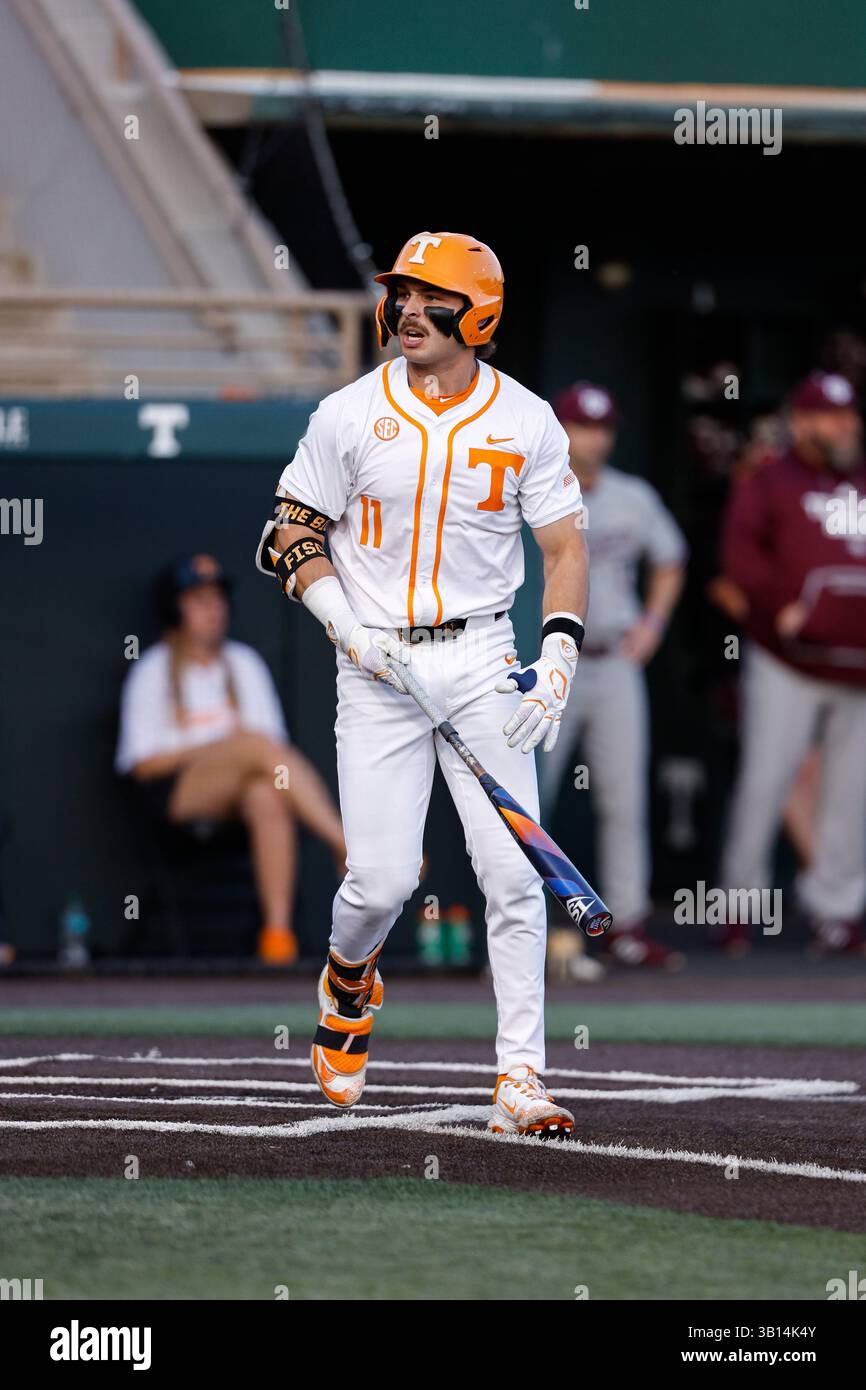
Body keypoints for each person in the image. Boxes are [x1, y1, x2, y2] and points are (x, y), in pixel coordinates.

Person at [257, 231, 589, 1137]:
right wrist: (351, 631)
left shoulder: (526, 419)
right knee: (379, 881)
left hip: (483, 657)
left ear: (475, 313)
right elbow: (289, 535)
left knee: (516, 873)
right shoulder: (348, 413)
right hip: (375, 665)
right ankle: (348, 977)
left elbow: (563, 548)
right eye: (400, 292)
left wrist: (557, 655)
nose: (408, 308)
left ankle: (520, 1076)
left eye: (429, 295)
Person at [116, 553, 347, 964]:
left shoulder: (243, 663)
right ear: (175, 609)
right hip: (174, 796)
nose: (214, 609)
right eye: (199, 600)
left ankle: (277, 936)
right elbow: (141, 763)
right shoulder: (152, 668)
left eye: (217, 599)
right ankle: (344, 844)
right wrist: (218, 747)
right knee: (254, 749)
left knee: (266, 793)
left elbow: (273, 758)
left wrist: (237, 750)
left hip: (241, 795)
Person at [540, 382, 687, 969]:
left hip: (611, 658)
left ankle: (625, 924)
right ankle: (521, 928)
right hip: (550, 661)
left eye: (602, 427)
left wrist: (651, 624)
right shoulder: (534, 488)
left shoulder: (633, 496)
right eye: (582, 426)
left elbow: (672, 560)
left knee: (624, 799)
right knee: (531, 799)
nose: (593, 438)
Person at [719, 371, 866, 954]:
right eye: (828, 416)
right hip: (787, 659)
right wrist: (780, 606)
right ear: (801, 423)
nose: (843, 425)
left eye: (848, 414)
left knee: (851, 791)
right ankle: (739, 906)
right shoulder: (771, 479)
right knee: (765, 779)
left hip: (858, 663)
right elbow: (739, 553)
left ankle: (836, 910)